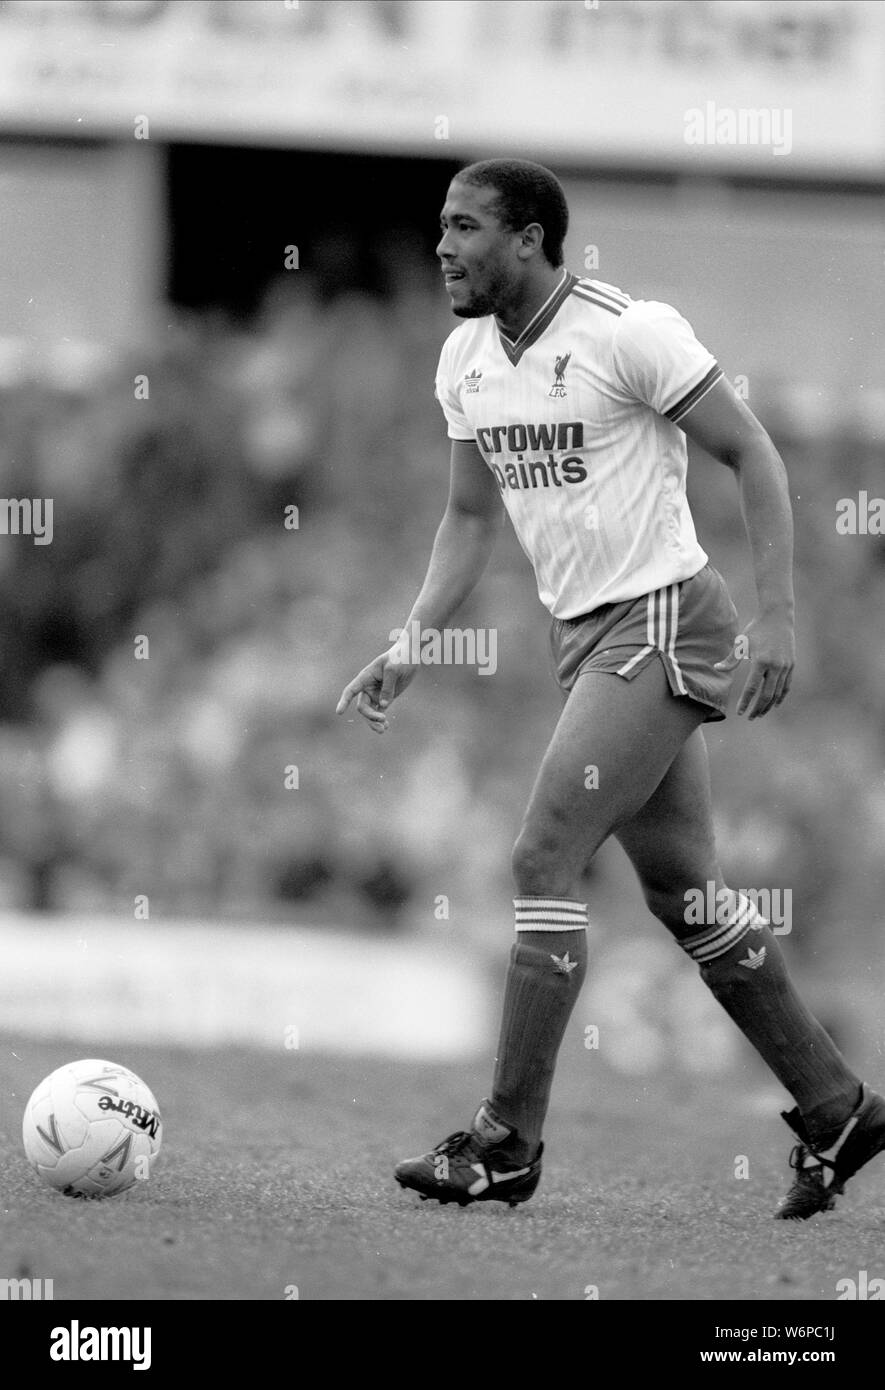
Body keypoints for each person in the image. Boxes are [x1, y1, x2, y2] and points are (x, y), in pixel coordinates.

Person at [336, 159, 884, 1220]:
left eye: (464, 228)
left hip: (667, 617)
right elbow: (467, 519)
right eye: (439, 228)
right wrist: (411, 640)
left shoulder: (628, 333)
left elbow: (753, 452)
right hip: (584, 639)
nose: (441, 247)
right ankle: (837, 1106)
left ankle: (505, 1140)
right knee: (684, 895)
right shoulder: (465, 360)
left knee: (545, 850)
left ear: (532, 238)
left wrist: (777, 617)